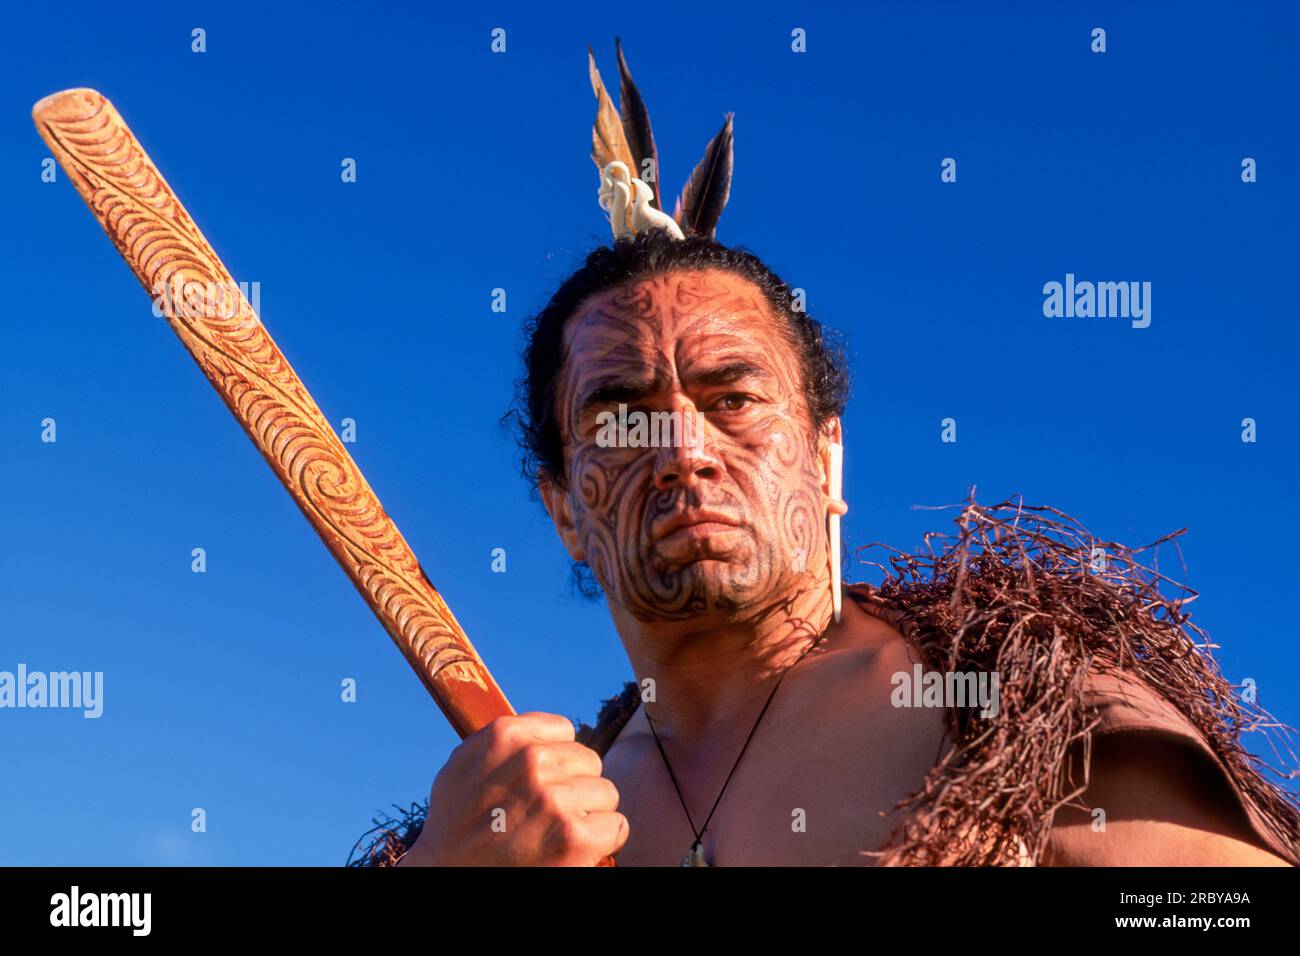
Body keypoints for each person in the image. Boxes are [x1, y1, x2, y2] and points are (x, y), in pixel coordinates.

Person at [355, 43, 1300, 868]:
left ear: (827, 461)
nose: (682, 449)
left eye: (732, 401)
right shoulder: (527, 817)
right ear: (564, 510)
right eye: (620, 418)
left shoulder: (1017, 713)